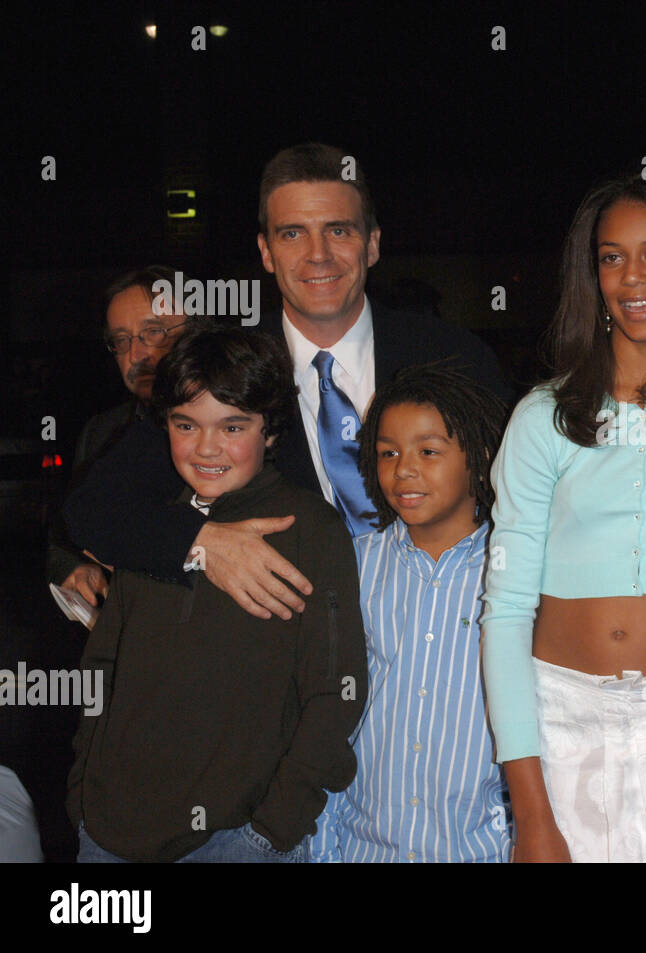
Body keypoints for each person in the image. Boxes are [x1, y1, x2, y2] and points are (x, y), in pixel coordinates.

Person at [63, 143, 511, 623]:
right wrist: (203, 543)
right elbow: (95, 508)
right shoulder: (225, 368)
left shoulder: (453, 357)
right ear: (266, 252)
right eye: (293, 234)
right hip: (292, 658)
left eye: (338, 230)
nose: (318, 256)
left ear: (373, 244)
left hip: (442, 640)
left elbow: (521, 503)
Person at [482, 168, 646, 862]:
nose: (632, 277)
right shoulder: (542, 418)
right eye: (611, 257)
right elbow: (504, 614)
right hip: (563, 723)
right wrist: (531, 816)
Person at [68, 325, 368, 862]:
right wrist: (83, 791)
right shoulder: (151, 525)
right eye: (186, 425)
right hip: (107, 832)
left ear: (271, 431)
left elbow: (334, 694)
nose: (207, 447)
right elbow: (104, 664)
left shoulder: (310, 529)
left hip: (236, 838)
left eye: (233, 426)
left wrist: (272, 831)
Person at [311, 363, 512, 862]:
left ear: (481, 456)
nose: (404, 469)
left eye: (428, 451)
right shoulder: (353, 566)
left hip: (481, 848)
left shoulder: (516, 570)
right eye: (388, 453)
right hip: (363, 847)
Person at [46, 266, 188, 604]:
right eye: (121, 340)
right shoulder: (101, 432)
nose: (136, 355)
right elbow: (61, 537)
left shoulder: (241, 428)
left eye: (153, 332)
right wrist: (77, 567)